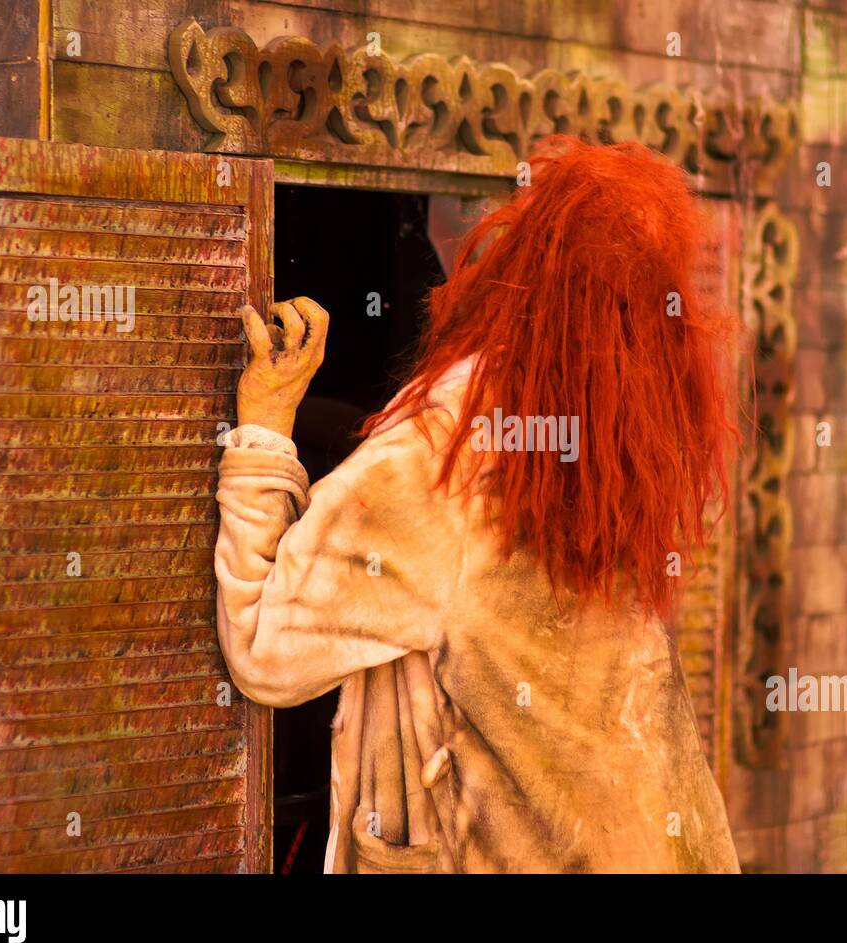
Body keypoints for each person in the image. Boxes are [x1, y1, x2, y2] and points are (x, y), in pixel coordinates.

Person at [215, 135, 741, 873]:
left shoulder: (446, 455)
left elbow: (265, 652)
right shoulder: (617, 460)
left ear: (520, 270)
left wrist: (265, 427)